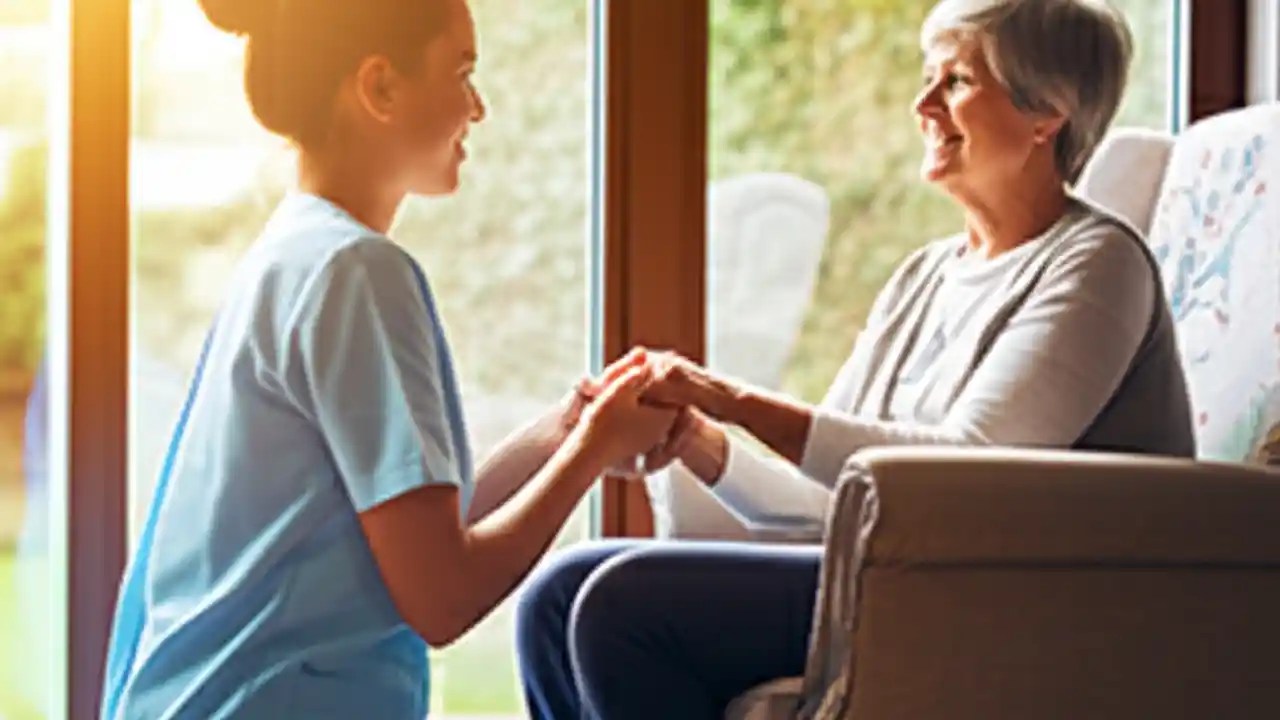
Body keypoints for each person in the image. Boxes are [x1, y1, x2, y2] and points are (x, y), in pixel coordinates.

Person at [516, 0, 1195, 718]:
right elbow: (835, 500)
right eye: (928, 78)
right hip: (900, 573)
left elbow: (970, 475)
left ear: (1046, 115)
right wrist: (698, 440)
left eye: (957, 81)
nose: (922, 104)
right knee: (555, 594)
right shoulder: (923, 277)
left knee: (625, 607)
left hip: (1003, 599)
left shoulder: (1099, 264)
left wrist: (728, 398)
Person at [99, 0, 677, 717]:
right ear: (379, 88)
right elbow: (443, 595)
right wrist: (594, 452)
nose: (480, 107)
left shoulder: (296, 252)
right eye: (462, 72)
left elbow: (417, 529)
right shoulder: (359, 276)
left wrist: (566, 431)